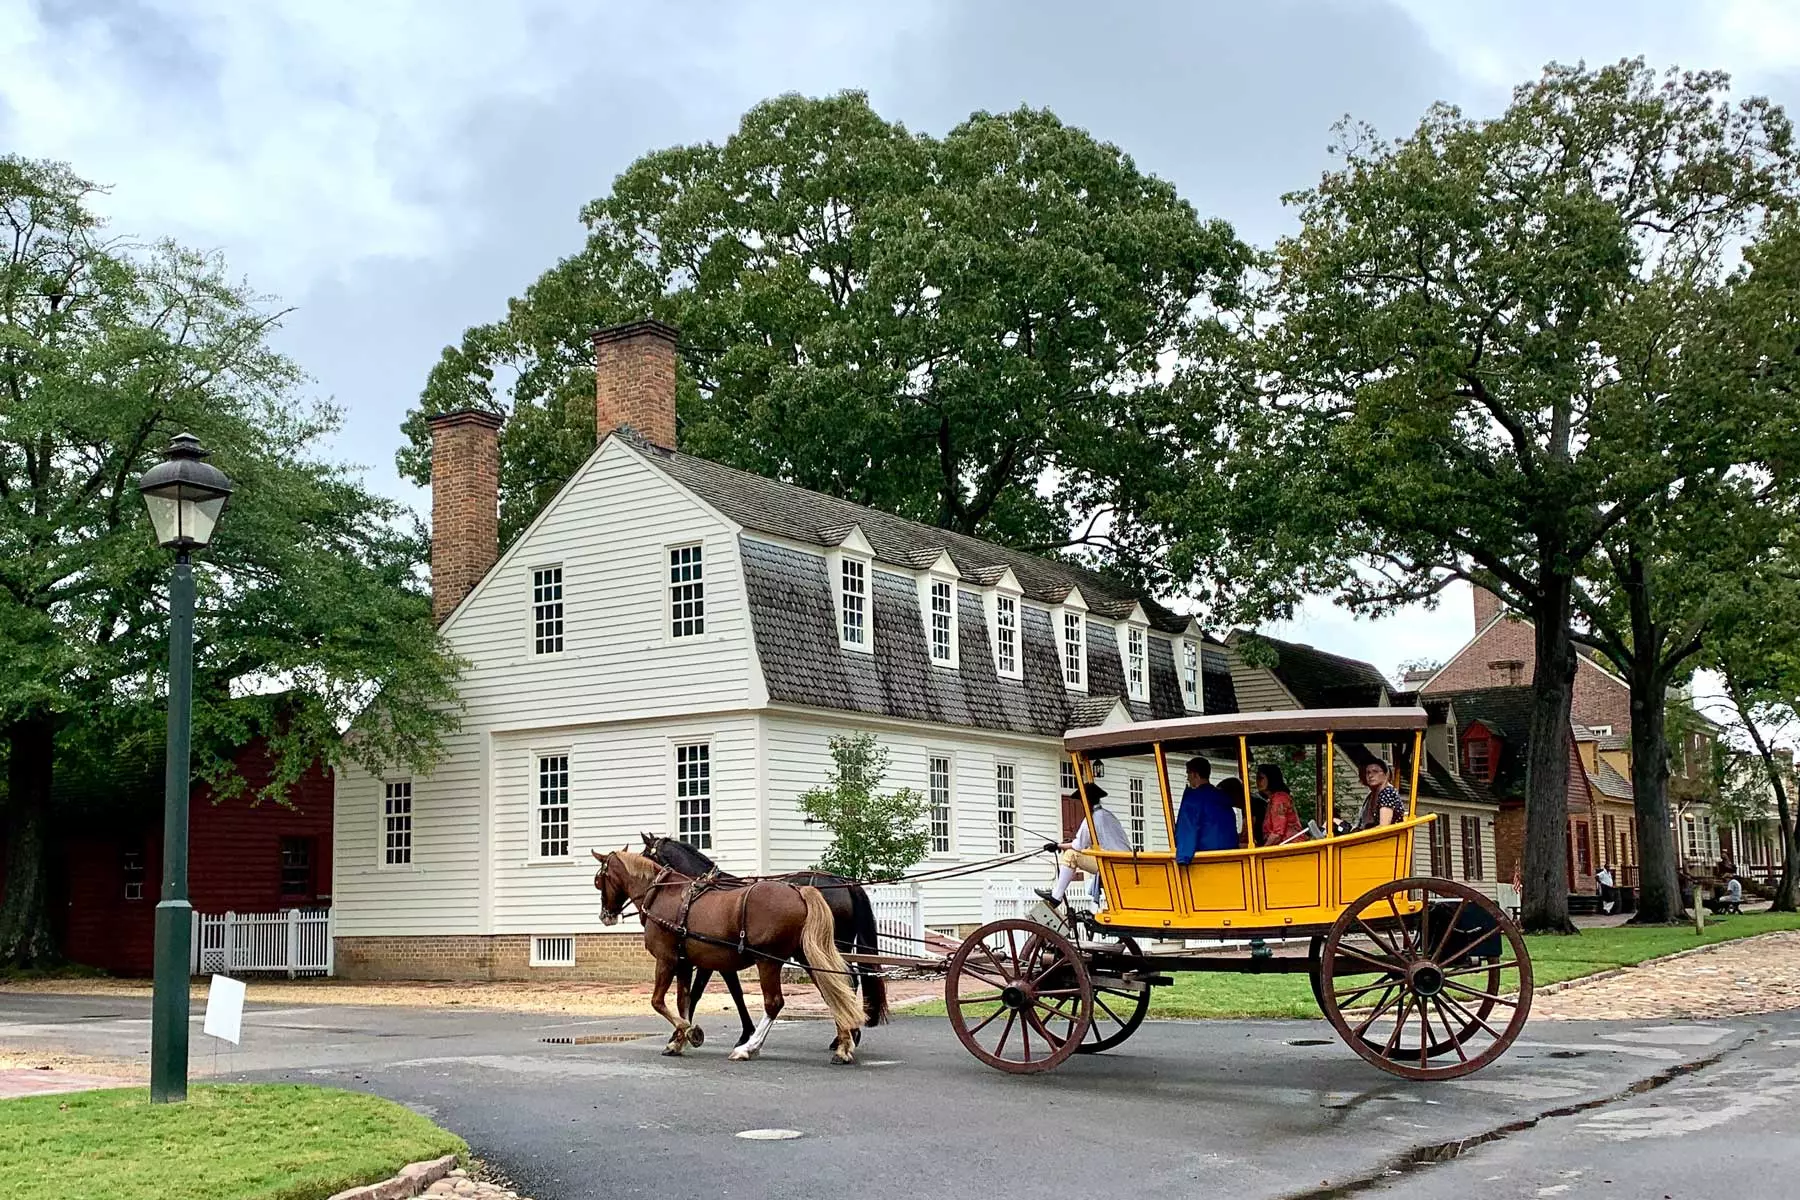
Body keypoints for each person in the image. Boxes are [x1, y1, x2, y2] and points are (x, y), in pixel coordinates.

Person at [1036, 784, 1130, 910]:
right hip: (1125, 862)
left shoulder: (1091, 819)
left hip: (1110, 864)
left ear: (1087, 801)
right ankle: (1056, 894)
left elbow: (1078, 846)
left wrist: (1058, 846)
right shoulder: (1109, 815)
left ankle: (1056, 897)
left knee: (1070, 855)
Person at [1175, 757, 1238, 863]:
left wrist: (1183, 857)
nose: (1188, 778)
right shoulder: (1223, 797)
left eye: (1188, 774)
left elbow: (1187, 829)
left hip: (1205, 857)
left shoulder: (1193, 799)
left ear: (1195, 774)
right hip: (1231, 856)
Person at [1256, 764, 1305, 845]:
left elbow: (1277, 834)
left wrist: (1262, 851)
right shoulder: (1274, 798)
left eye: (1261, 778)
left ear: (1271, 778)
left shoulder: (1279, 799)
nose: (1257, 782)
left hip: (1289, 846)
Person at [1356, 758, 1403, 831]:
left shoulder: (1388, 792)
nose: (1371, 775)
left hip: (1388, 838)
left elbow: (1384, 826)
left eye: (1375, 771)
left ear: (1386, 774)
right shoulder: (1371, 796)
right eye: (1368, 772)